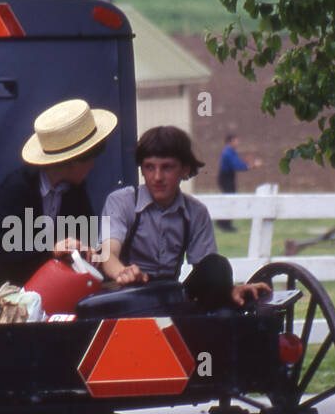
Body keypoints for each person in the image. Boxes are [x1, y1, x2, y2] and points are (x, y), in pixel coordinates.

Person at [99, 126, 270, 310]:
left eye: (167, 168)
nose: (157, 177)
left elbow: (209, 273)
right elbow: (108, 254)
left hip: (171, 298)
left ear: (185, 170)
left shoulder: (196, 212)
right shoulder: (121, 202)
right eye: (149, 167)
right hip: (126, 297)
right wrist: (123, 273)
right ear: (141, 169)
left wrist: (228, 289)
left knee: (218, 266)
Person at [0, 98, 118, 291]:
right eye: (88, 159)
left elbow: (85, 237)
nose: (92, 165)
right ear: (72, 162)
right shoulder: (15, 191)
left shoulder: (75, 191)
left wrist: (87, 250)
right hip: (14, 292)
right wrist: (52, 250)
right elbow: (0, 254)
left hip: (60, 289)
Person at [216, 133, 262, 231]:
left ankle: (224, 223)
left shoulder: (231, 152)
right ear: (230, 141)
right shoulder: (228, 153)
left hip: (228, 178)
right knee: (229, 200)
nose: (238, 142)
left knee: (230, 199)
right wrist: (252, 165)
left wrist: (247, 163)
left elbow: (238, 164)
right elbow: (237, 166)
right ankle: (224, 225)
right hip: (226, 178)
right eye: (236, 140)